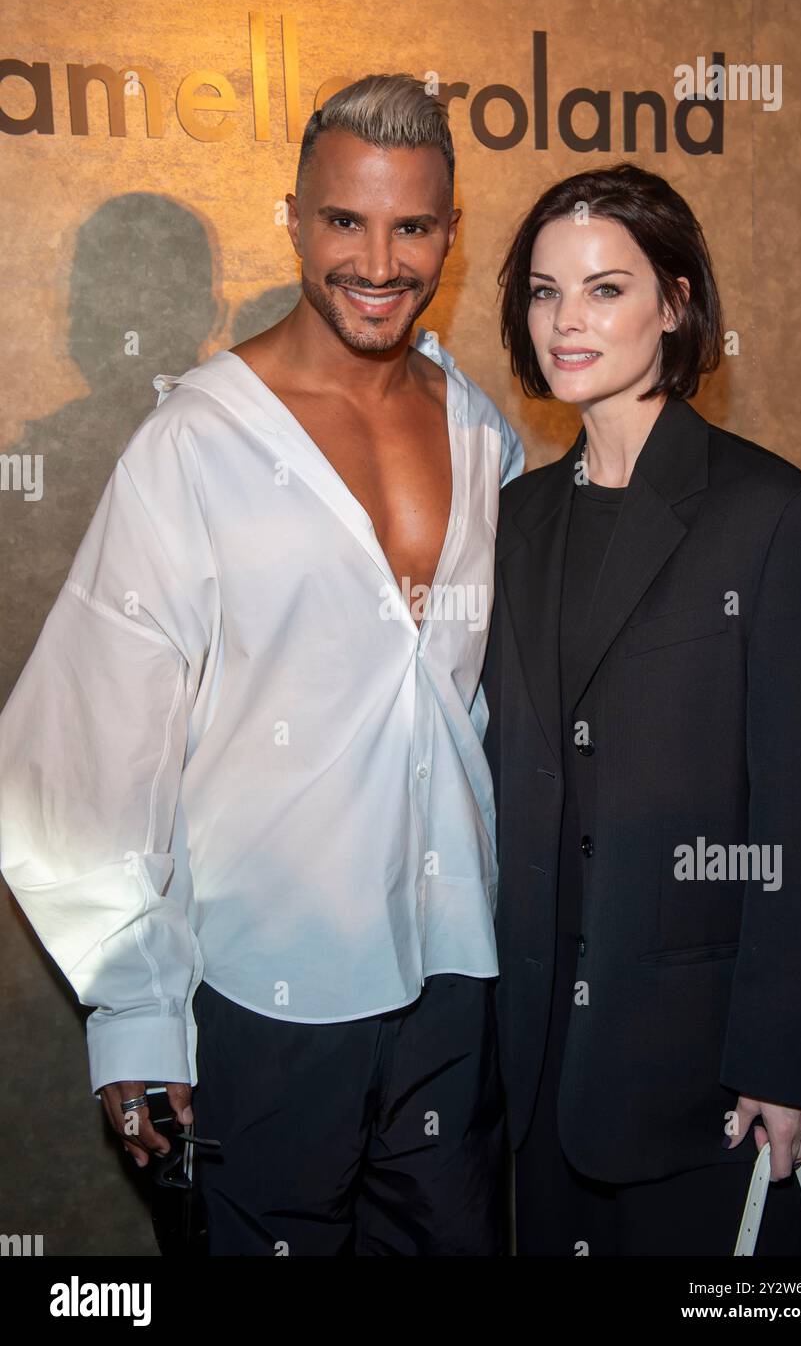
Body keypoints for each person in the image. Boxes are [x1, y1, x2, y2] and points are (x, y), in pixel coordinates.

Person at [0, 74, 523, 1256]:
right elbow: (84, 740)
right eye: (344, 221)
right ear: (291, 219)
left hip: (453, 979)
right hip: (263, 994)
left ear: (450, 230)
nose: (377, 262)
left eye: (411, 226)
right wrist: (136, 1007)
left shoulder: (479, 428)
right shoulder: (196, 442)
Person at [482, 162, 801, 1256]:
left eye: (605, 289)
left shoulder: (774, 517)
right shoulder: (512, 521)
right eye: (545, 291)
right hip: (535, 1059)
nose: (566, 319)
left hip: (701, 1069)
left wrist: (783, 1060)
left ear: (675, 303)